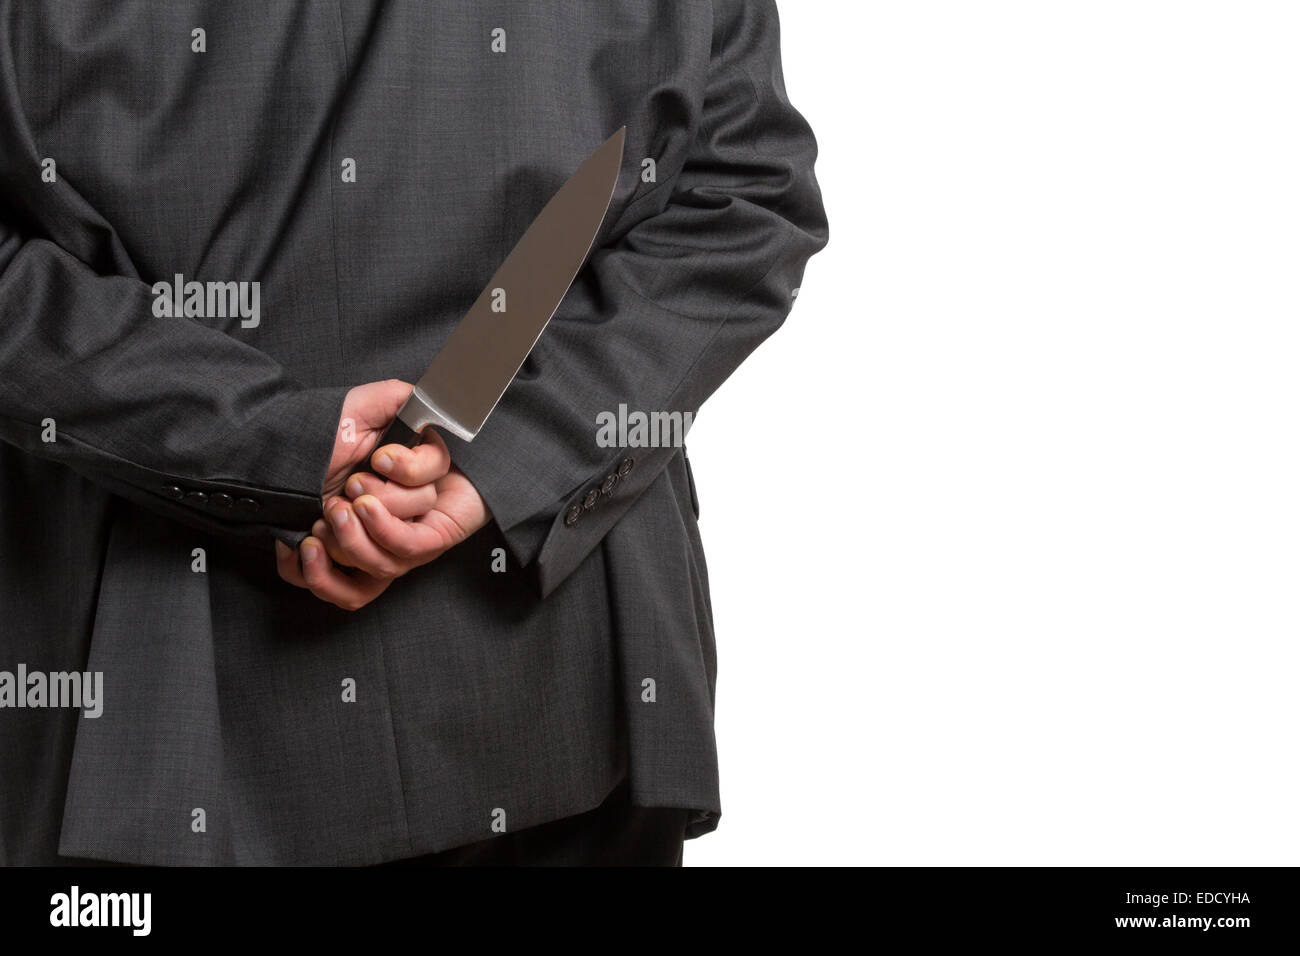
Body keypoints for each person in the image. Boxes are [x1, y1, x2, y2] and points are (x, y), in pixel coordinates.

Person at [0, 0, 828, 866]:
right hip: (564, 674)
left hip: (154, 720)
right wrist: (497, 462)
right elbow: (742, 192)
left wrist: (267, 440)